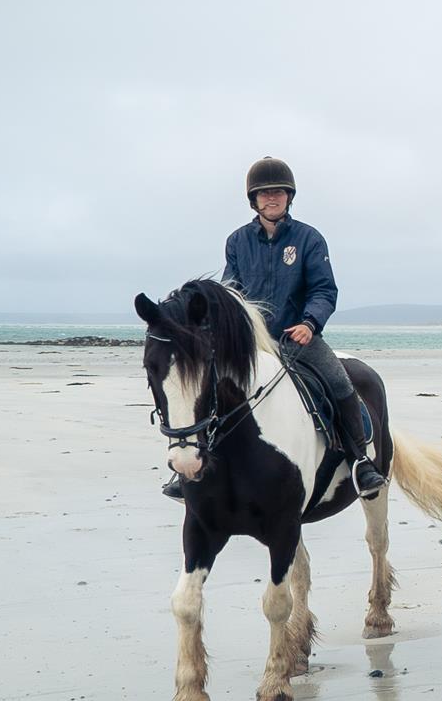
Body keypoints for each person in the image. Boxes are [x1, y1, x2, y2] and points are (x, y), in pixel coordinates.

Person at [161, 157, 386, 500]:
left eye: (278, 192)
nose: (271, 198)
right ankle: (191, 465)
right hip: (250, 342)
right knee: (203, 387)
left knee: (340, 382)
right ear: (254, 200)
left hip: (297, 337)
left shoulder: (309, 239)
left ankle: (361, 461)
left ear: (288, 197)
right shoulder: (237, 241)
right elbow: (232, 292)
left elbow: (324, 290)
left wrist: (310, 323)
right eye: (264, 193)